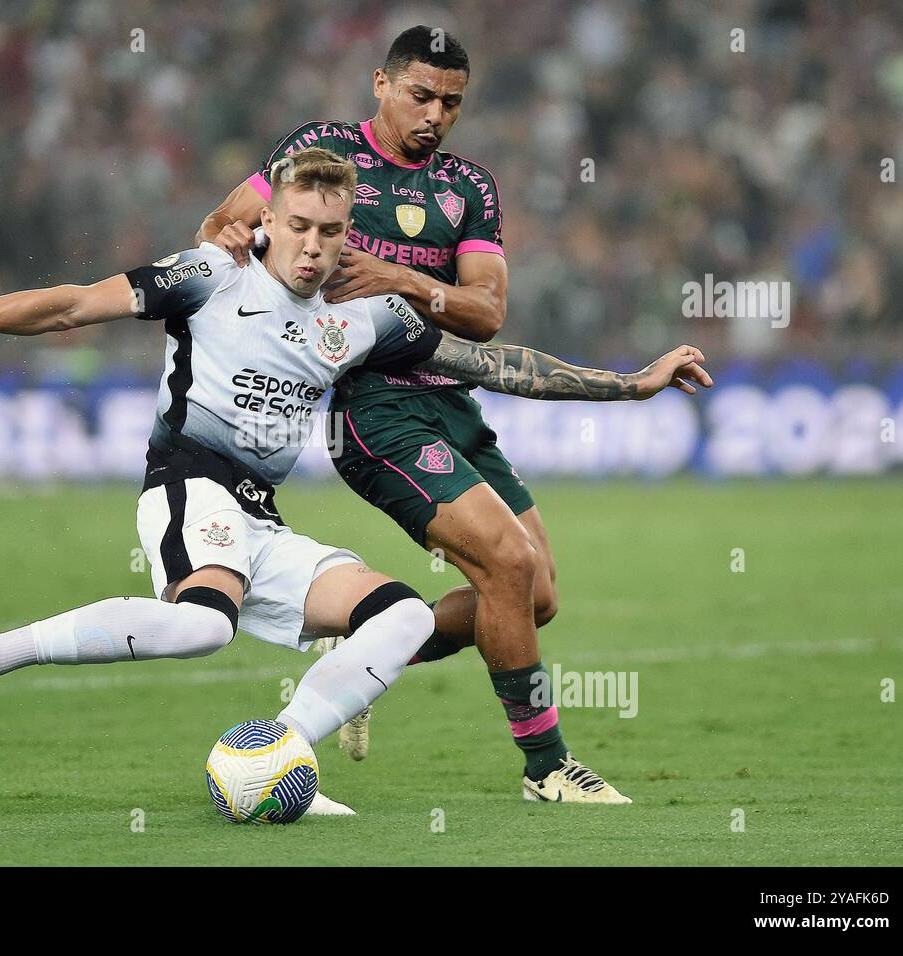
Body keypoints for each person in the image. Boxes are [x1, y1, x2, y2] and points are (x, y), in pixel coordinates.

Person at [0, 148, 710, 808]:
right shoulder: (208, 274)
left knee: (404, 616)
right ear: (265, 218)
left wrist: (630, 384)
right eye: (299, 225)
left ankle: (275, 753)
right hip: (188, 480)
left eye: (332, 231)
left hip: (259, 514)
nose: (314, 247)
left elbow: (489, 362)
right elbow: (70, 304)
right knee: (204, 625)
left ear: (351, 233)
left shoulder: (368, 317)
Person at [199, 25, 603, 798]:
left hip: (453, 403)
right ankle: (548, 770)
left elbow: (486, 314)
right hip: (375, 413)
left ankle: (362, 659)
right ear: (380, 85)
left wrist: (401, 277)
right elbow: (219, 231)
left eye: (451, 102)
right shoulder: (320, 151)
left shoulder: (469, 188)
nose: (435, 115)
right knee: (508, 565)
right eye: (421, 95)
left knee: (536, 594)